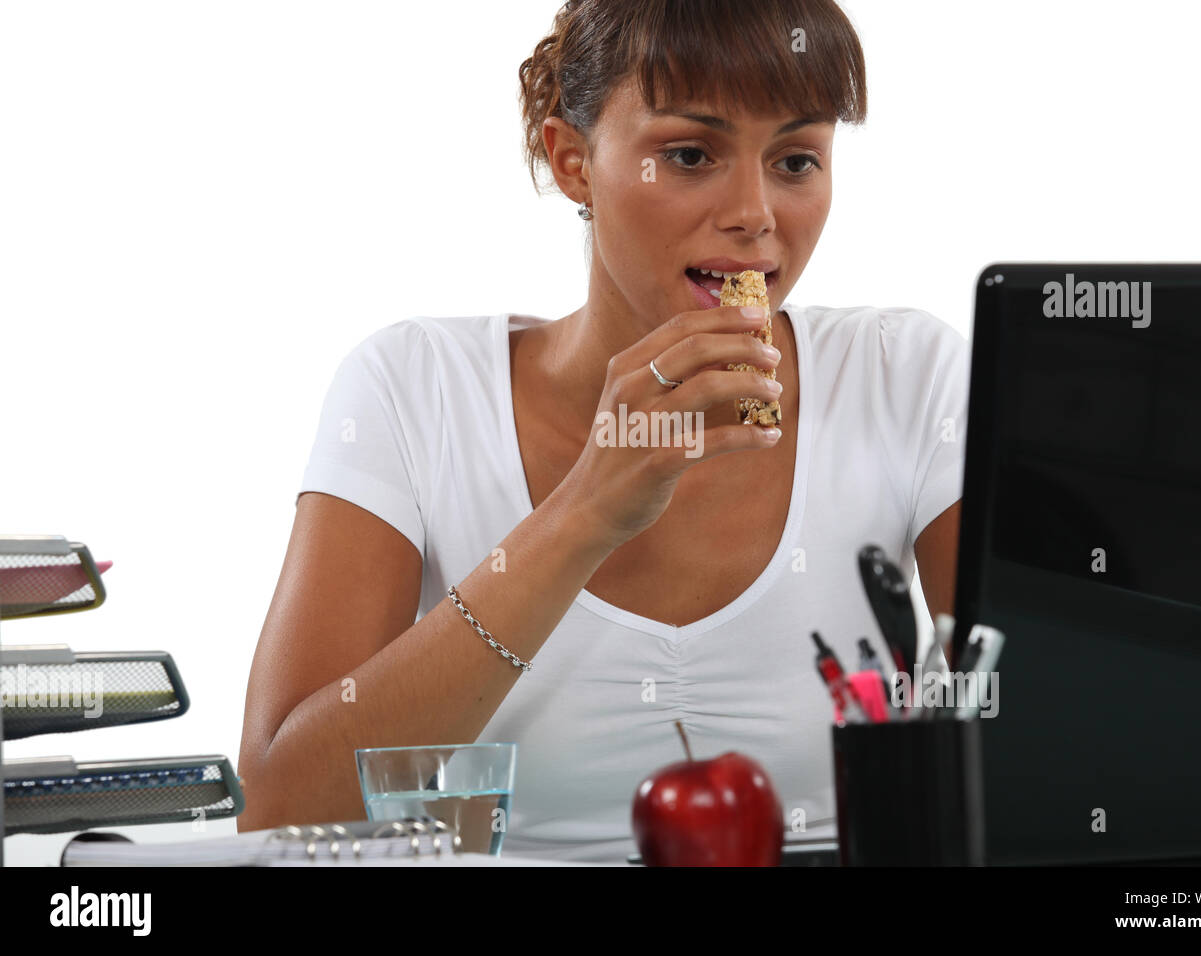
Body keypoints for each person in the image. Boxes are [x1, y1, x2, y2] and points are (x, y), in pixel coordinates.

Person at [237, 0, 969, 863]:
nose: (754, 213)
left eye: (795, 159)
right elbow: (278, 803)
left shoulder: (905, 375)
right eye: (690, 155)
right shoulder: (413, 388)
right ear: (573, 161)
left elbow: (1055, 757)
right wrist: (584, 511)